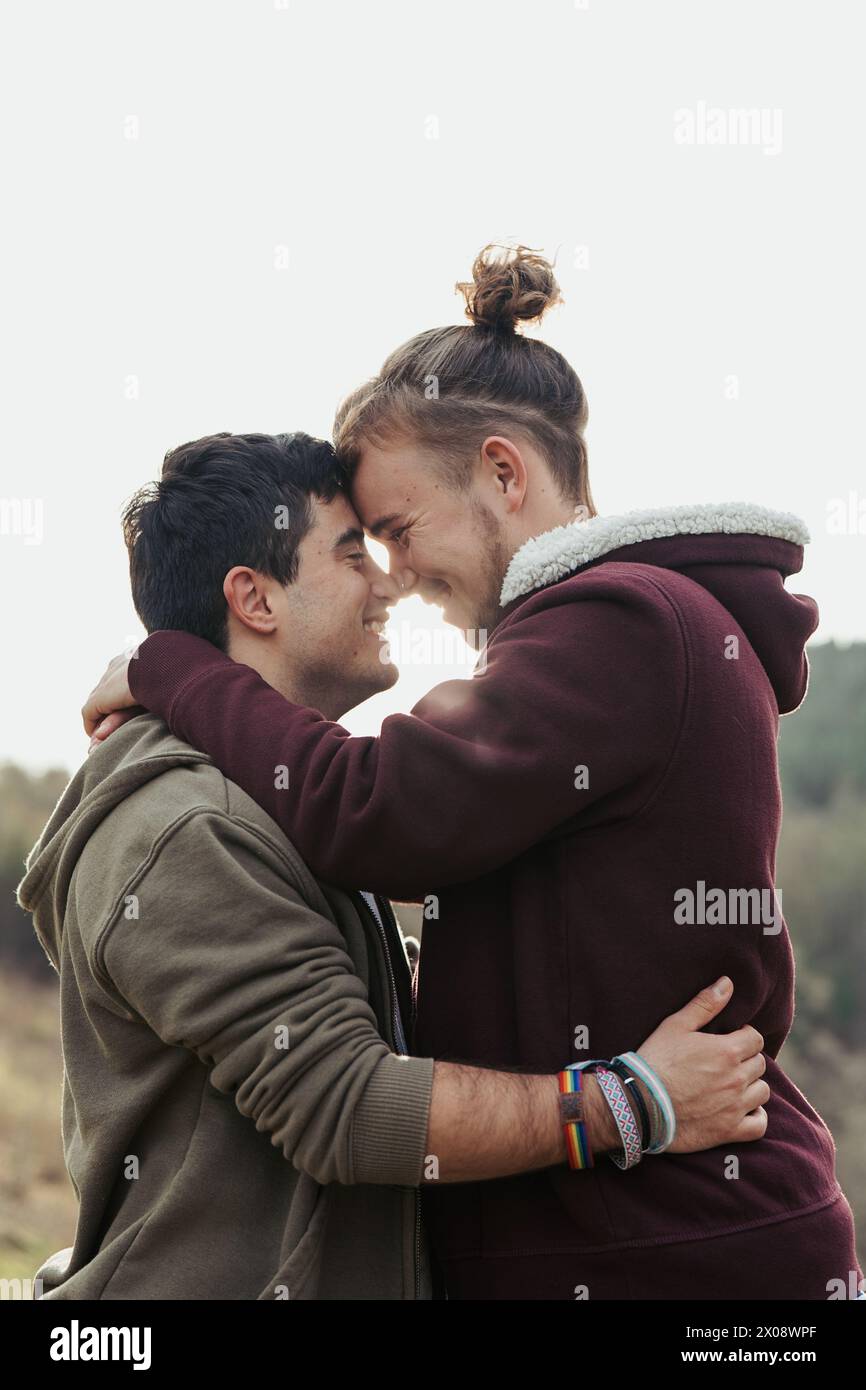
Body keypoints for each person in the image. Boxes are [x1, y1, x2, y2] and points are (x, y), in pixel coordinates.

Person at [83, 246, 862, 1300]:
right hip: (644, 1242)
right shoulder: (604, 635)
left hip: (665, 1253)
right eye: (364, 547)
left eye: (395, 533)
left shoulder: (618, 624)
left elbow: (374, 811)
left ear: (503, 472)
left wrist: (171, 666)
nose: (395, 578)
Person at [19, 431, 764, 1301]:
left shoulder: (275, 802)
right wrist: (629, 1104)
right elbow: (352, 1108)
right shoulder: (190, 827)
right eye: (351, 555)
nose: (388, 584)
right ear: (254, 599)